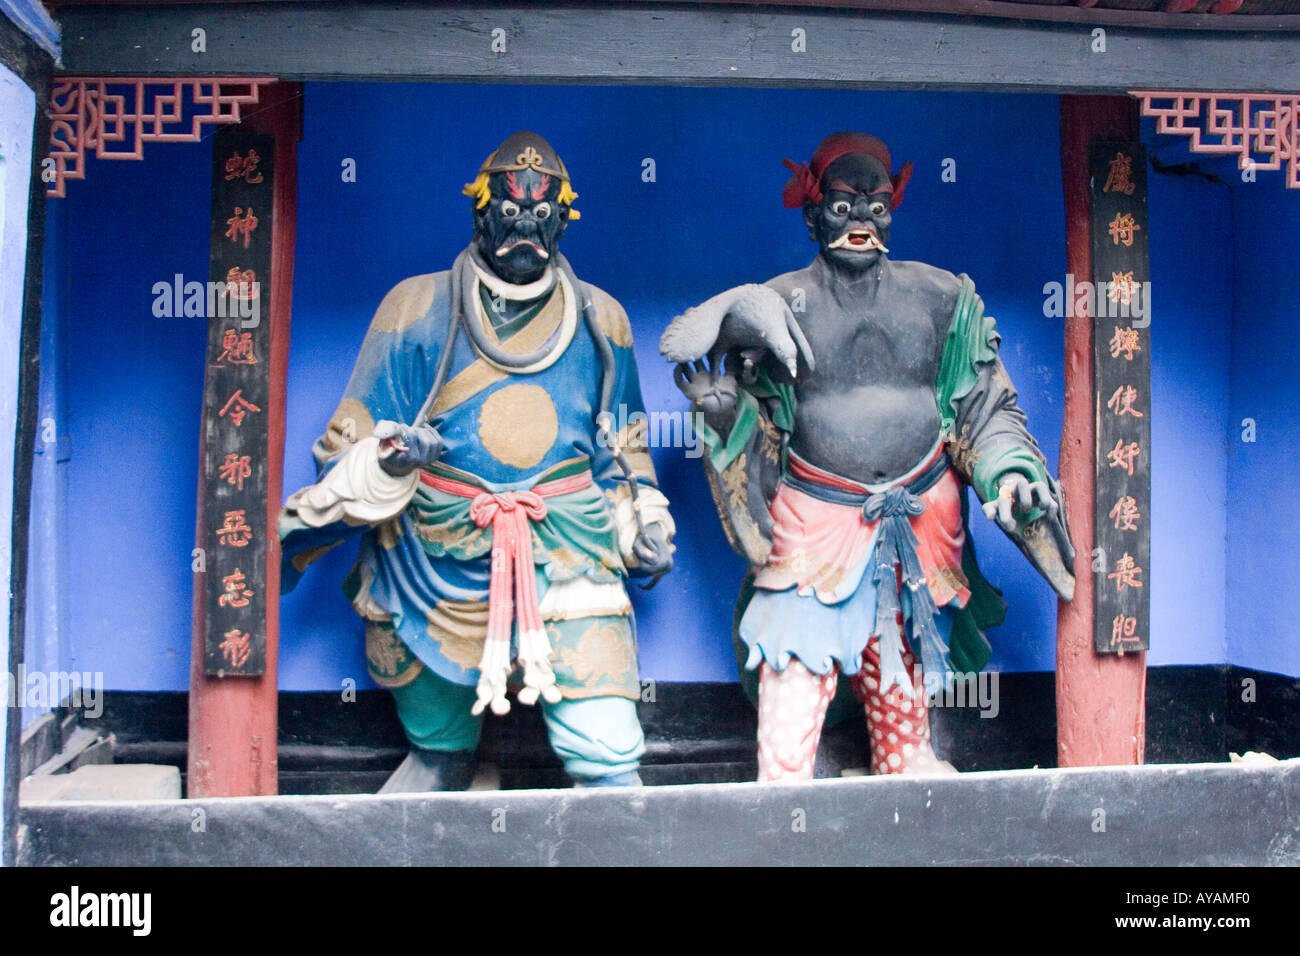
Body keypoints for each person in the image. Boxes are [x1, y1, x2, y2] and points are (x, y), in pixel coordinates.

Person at [661, 131, 1073, 780]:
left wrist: (1010, 472)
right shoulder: (778, 304)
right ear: (812, 211)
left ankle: (904, 763)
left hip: (919, 514)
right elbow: (762, 423)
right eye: (844, 205)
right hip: (816, 518)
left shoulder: (942, 298)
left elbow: (982, 408)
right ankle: (784, 782)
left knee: (903, 654)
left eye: (876, 205)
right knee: (793, 653)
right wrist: (722, 412)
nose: (860, 221)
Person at [281, 131, 674, 791]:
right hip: (435, 552)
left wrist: (644, 524)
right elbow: (344, 439)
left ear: (563, 218)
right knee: (438, 743)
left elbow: (624, 444)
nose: (527, 221)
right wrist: (391, 458)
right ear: (480, 212)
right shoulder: (415, 308)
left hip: (570, 544)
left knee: (609, 751)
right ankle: (442, 762)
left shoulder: (601, 319)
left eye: (543, 210)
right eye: (510, 208)